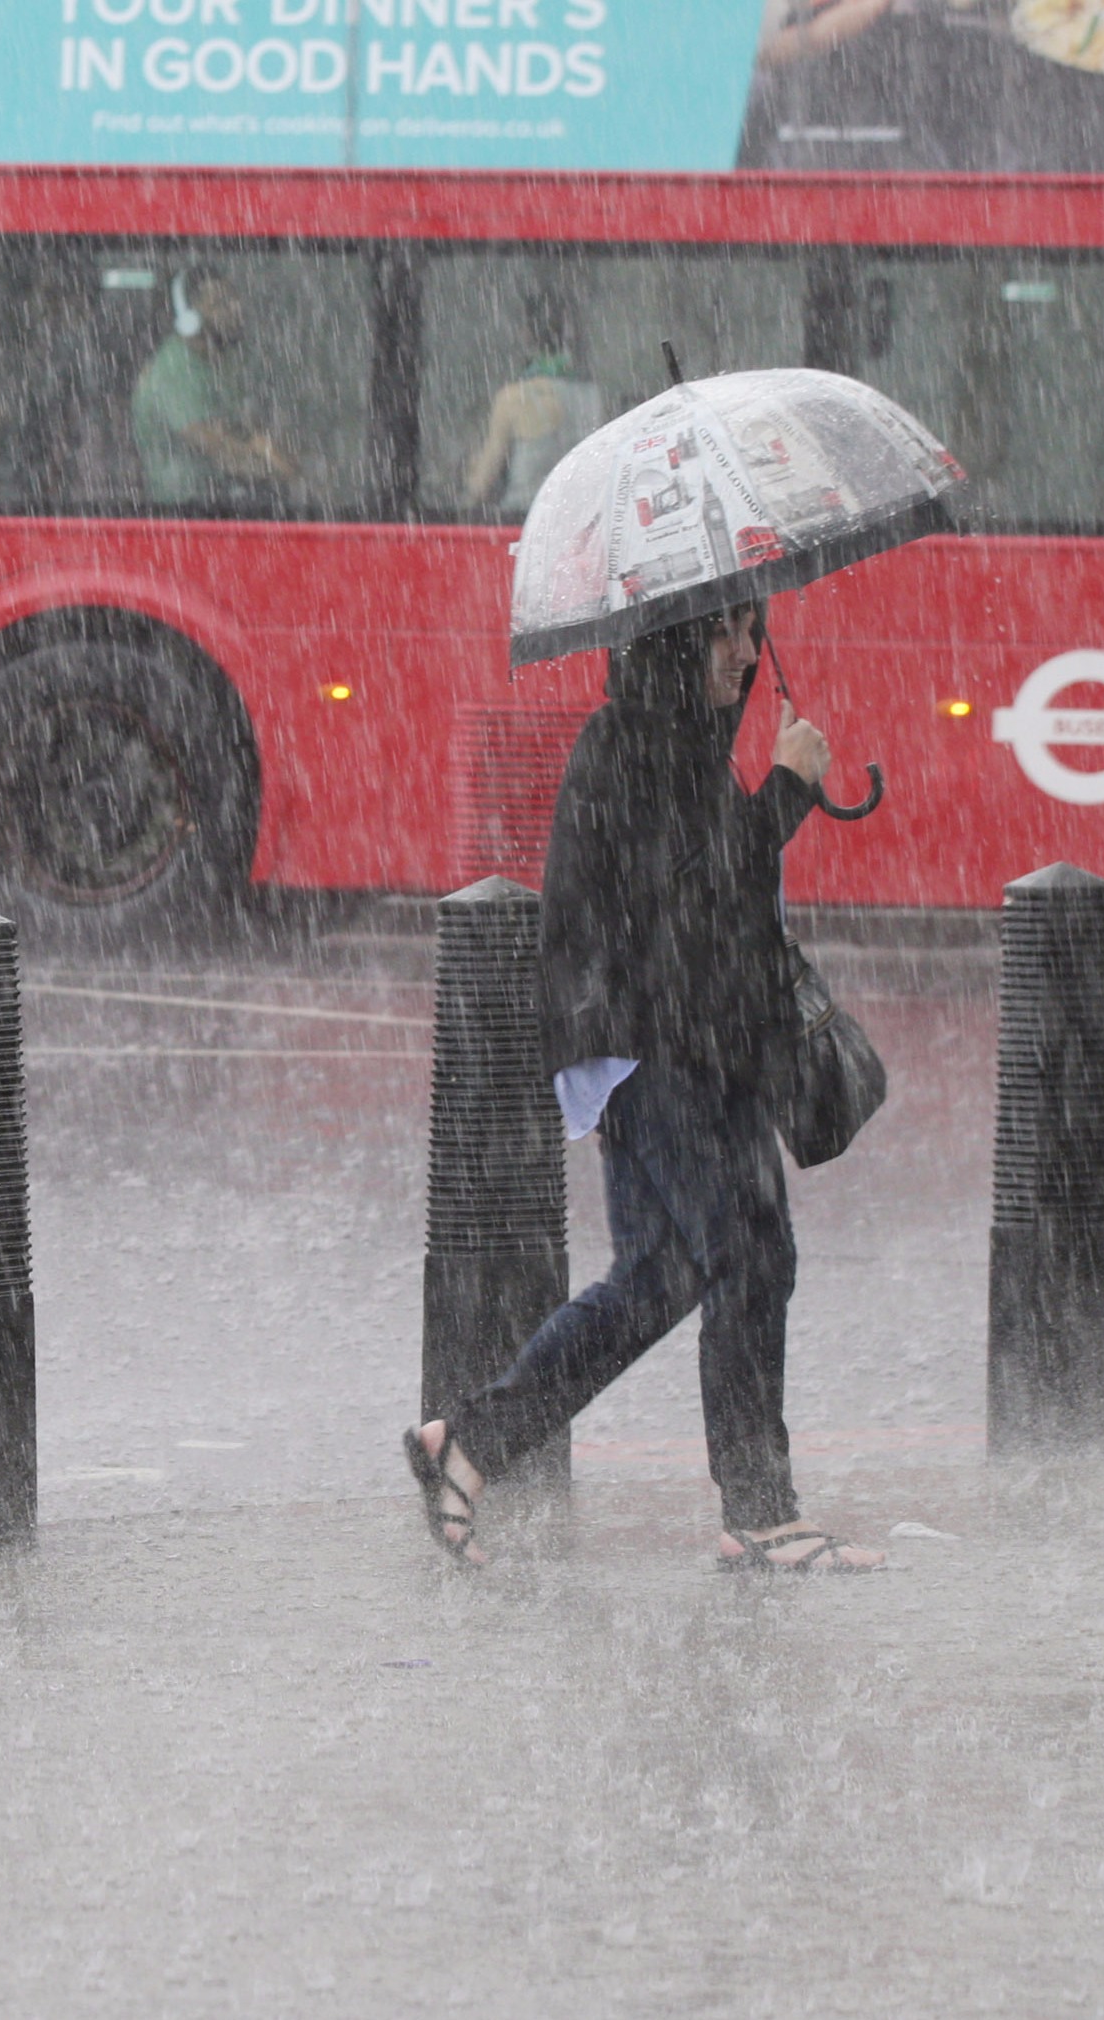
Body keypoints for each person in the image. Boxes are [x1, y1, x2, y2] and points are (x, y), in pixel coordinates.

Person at [404, 601, 885, 1575]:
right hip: (668, 1044)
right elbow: (697, 901)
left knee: (659, 1278)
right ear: (676, 641)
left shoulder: (675, 741)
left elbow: (702, 895)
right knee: (753, 1254)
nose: (746, 653)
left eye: (754, 632)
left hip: (665, 1040)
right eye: (726, 633)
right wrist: (788, 789)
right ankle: (761, 1514)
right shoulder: (636, 744)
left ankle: (468, 1444)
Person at [130, 265, 297, 507]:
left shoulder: (220, 360)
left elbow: (245, 430)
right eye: (220, 303)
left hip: (221, 499)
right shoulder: (175, 370)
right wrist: (289, 470)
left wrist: (269, 450)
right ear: (189, 319)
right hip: (183, 514)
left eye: (233, 299)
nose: (235, 309)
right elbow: (223, 453)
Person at [460, 283, 608, 515]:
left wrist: (469, 470)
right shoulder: (594, 396)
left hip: (522, 518)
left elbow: (480, 486)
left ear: (526, 334)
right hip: (576, 520)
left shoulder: (513, 399)